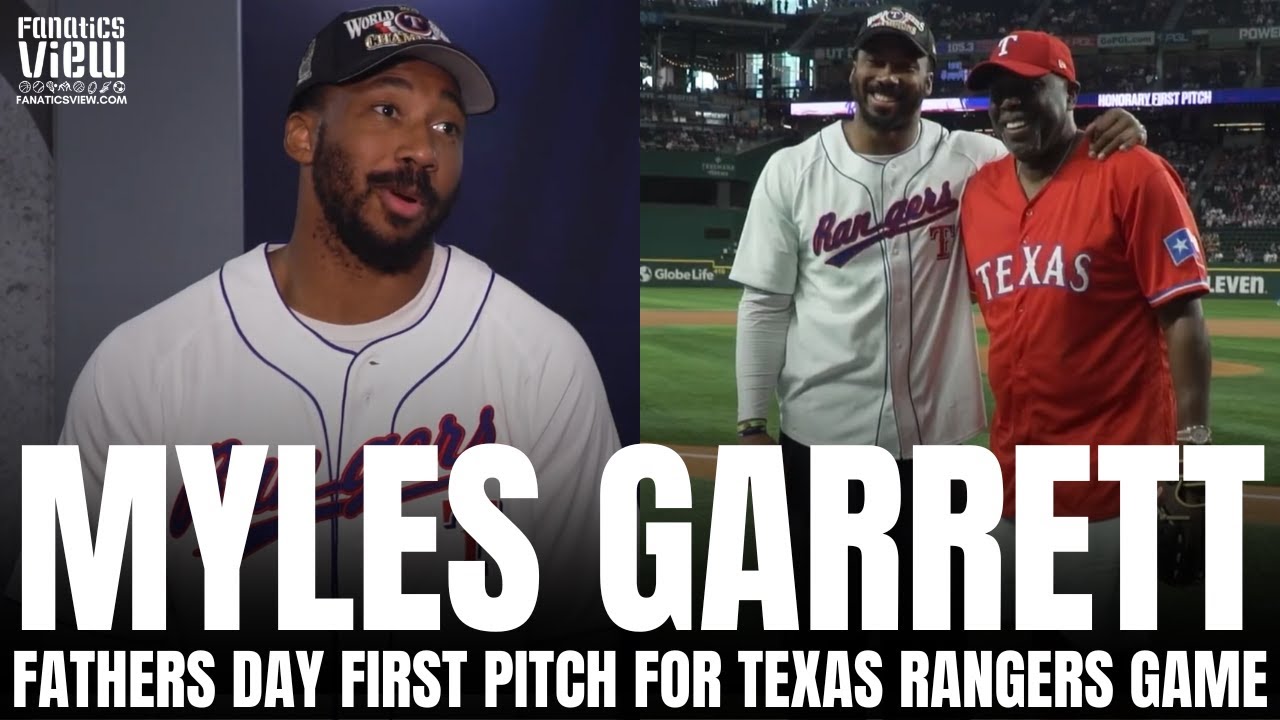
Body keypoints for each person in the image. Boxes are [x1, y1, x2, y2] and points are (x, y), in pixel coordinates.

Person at [9, 5, 619, 636]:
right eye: (388, 110)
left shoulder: (542, 361)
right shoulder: (144, 369)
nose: (423, 148)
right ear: (303, 136)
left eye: (447, 127)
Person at [727, 5, 1149, 631]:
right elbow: (763, 304)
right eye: (876, 60)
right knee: (817, 623)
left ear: (929, 79)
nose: (888, 76)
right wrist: (751, 424)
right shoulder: (791, 170)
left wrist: (1115, 133)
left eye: (906, 65)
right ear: (853, 70)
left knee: (942, 626)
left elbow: (1055, 149)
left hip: (941, 454)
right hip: (818, 448)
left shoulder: (973, 158)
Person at [959, 30, 1213, 632]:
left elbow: (1183, 319)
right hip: (1011, 488)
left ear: (1071, 94)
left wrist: (1192, 471)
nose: (1010, 101)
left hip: (1113, 495)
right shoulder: (978, 193)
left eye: (1028, 86)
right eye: (998, 90)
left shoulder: (1133, 174)